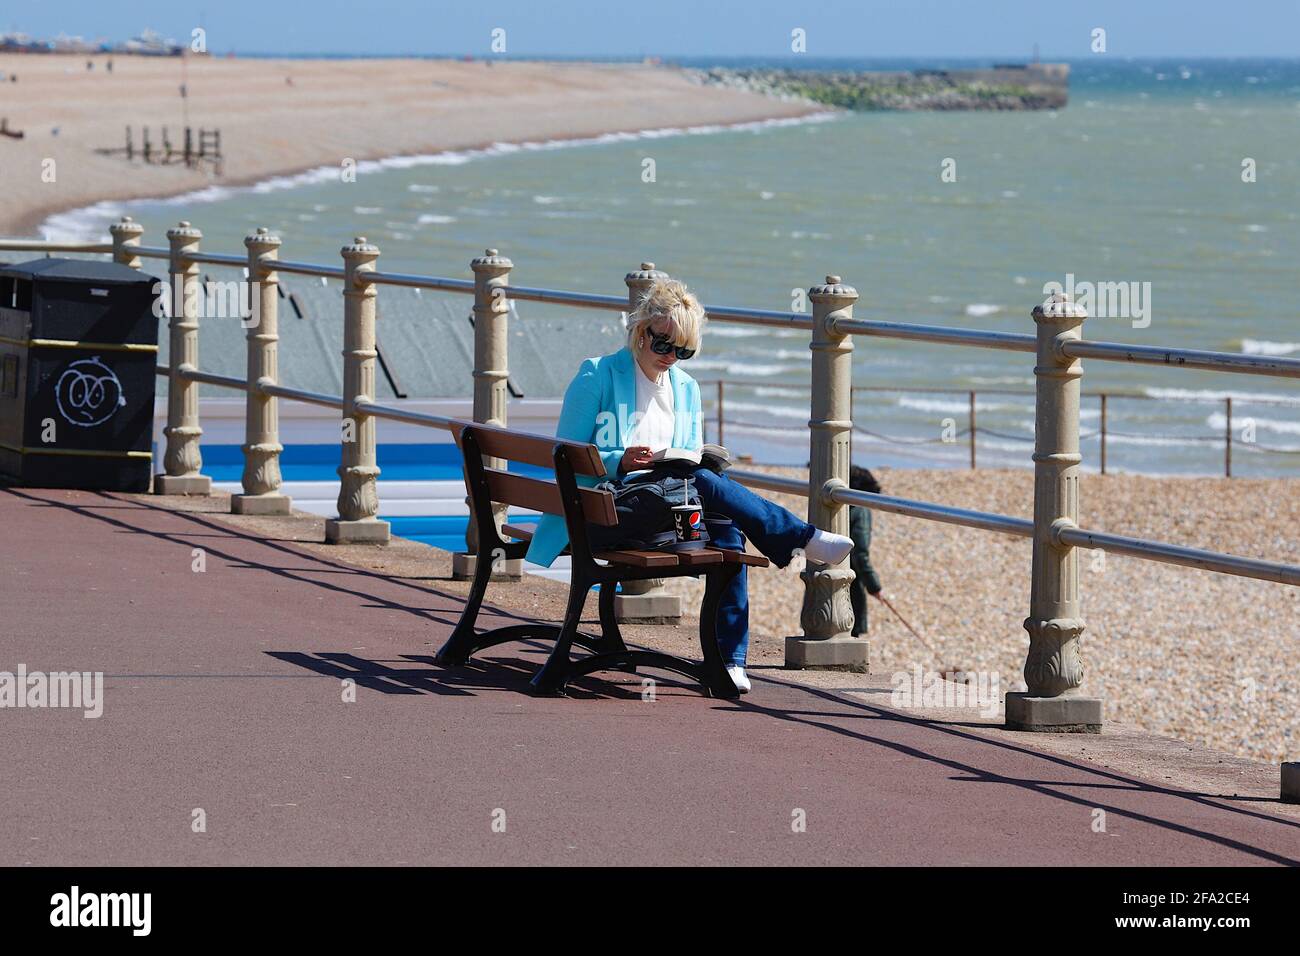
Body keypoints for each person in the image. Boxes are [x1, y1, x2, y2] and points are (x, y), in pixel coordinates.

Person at [526, 278, 854, 694]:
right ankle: (797, 537)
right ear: (640, 330)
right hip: (601, 515)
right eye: (663, 344)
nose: (671, 358)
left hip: (667, 513)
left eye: (684, 350)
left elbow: (688, 455)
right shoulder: (598, 375)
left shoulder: (686, 388)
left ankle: (732, 660)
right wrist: (618, 460)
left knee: (724, 519)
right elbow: (565, 456)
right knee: (705, 485)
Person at [847, 465, 885, 637]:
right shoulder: (861, 511)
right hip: (850, 582)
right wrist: (874, 586)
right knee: (849, 633)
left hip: (821, 577)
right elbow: (859, 553)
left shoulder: (833, 503)